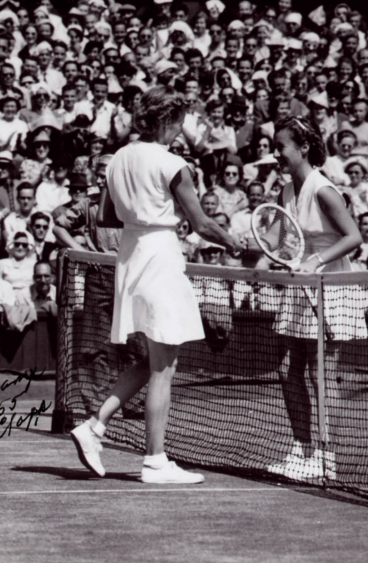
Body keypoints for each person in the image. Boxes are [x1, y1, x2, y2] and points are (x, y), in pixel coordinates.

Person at [70, 85, 242, 485]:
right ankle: (155, 461)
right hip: (160, 258)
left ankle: (95, 425)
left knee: (154, 360)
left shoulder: (117, 160)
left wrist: (146, 212)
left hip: (131, 257)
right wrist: (233, 242)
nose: (180, 133)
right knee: (165, 367)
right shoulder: (172, 164)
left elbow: (108, 217)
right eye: (179, 124)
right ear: (166, 121)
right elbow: (202, 224)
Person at [264, 115, 363, 480]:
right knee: (287, 369)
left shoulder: (323, 190)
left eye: (281, 147)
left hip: (330, 284)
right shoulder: (285, 191)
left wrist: (316, 261)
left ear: (303, 148)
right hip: (300, 284)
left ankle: (326, 457)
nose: (276, 154)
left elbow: (353, 236)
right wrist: (247, 253)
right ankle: (302, 450)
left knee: (322, 375)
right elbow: (274, 242)